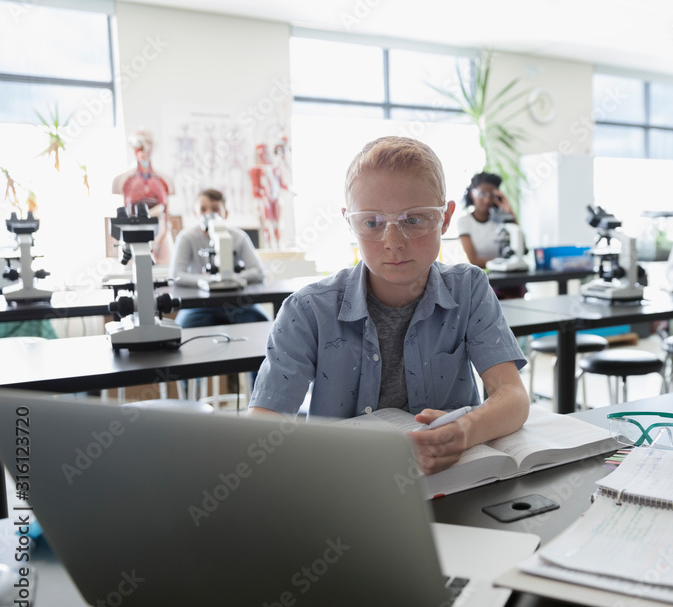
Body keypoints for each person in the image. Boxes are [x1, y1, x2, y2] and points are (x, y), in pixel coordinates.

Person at [248, 137, 529, 475]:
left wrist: (466, 429)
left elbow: (513, 396)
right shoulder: (308, 311)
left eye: (414, 220)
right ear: (349, 222)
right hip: (346, 491)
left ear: (446, 217)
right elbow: (263, 428)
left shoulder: (469, 290)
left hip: (451, 485)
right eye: (372, 223)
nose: (393, 243)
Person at [169, 188, 270, 327]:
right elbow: (175, 275)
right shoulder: (186, 238)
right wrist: (205, 280)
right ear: (195, 213)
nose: (209, 214)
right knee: (182, 330)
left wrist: (233, 278)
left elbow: (259, 272)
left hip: (236, 303)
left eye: (215, 209)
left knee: (265, 325)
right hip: (200, 304)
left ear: (225, 213)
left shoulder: (238, 237)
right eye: (203, 209)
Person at [456, 171, 527, 299]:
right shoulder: (464, 222)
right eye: (482, 194)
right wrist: (507, 264)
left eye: (492, 195)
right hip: (484, 284)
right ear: (472, 193)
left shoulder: (502, 218)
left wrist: (508, 210)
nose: (487, 200)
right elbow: (474, 260)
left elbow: (522, 247)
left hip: (509, 283)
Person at [112, 129, 174, 264]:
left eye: (149, 143)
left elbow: (163, 209)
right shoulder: (122, 180)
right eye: (140, 143)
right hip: (131, 231)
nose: (145, 147)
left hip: (159, 232)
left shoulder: (164, 179)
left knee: (164, 271)